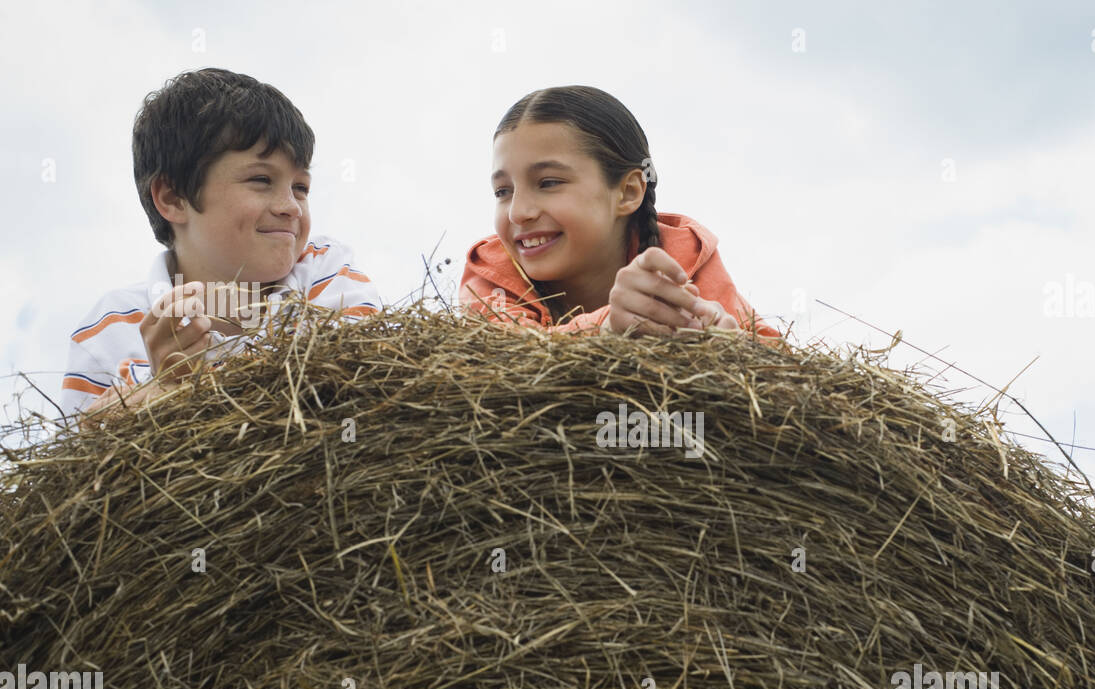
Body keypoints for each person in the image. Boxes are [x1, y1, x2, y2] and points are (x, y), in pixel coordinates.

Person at [61, 69, 381, 427]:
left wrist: (184, 391)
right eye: (261, 180)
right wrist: (165, 383)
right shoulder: (110, 328)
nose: (291, 206)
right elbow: (81, 457)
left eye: (301, 187)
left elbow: (364, 378)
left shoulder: (326, 271)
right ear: (173, 198)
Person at [460, 86, 782, 341]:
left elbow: (778, 368)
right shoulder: (491, 272)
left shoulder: (685, 259)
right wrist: (607, 325)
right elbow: (506, 355)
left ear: (628, 192)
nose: (518, 213)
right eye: (503, 191)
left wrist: (730, 346)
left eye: (548, 183)